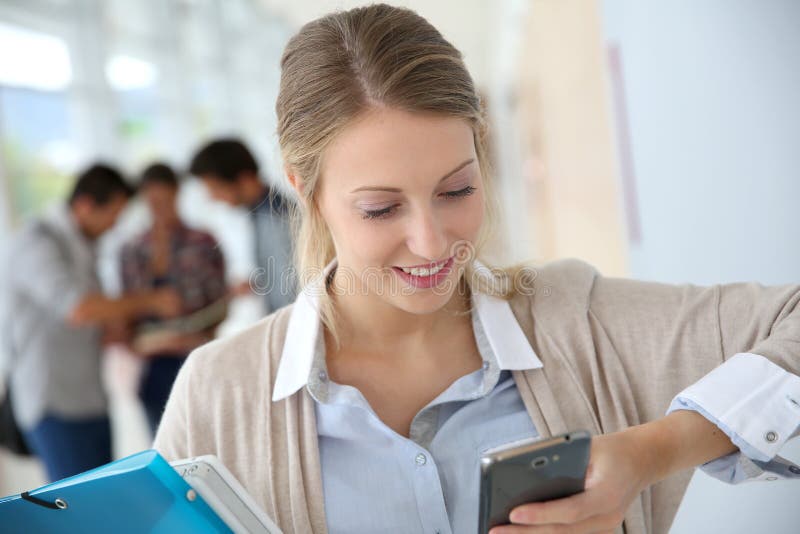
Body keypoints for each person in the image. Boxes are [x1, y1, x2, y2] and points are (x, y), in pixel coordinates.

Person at [154, 5, 800, 534]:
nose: (432, 242)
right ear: (306, 191)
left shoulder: (580, 320)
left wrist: (652, 452)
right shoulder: (218, 394)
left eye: (457, 190)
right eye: (381, 208)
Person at [2, 163, 182, 482]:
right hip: (53, 403)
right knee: (76, 502)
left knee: (102, 495)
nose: (115, 224)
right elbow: (79, 308)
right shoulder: (37, 240)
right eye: (113, 213)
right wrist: (152, 300)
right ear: (85, 204)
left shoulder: (84, 244)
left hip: (90, 398)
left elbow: (94, 321)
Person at [120, 163, 227, 437]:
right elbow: (125, 316)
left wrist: (195, 336)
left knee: (205, 443)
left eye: (164, 201)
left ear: (177, 194)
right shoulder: (131, 249)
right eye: (152, 202)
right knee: (162, 447)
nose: (159, 209)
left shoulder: (203, 242)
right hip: (153, 369)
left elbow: (220, 304)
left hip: (197, 359)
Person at [188, 138, 295, 315]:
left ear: (244, 179)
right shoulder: (263, 213)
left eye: (215, 188)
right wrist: (260, 282)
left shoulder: (278, 220)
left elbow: (291, 294)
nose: (212, 197)